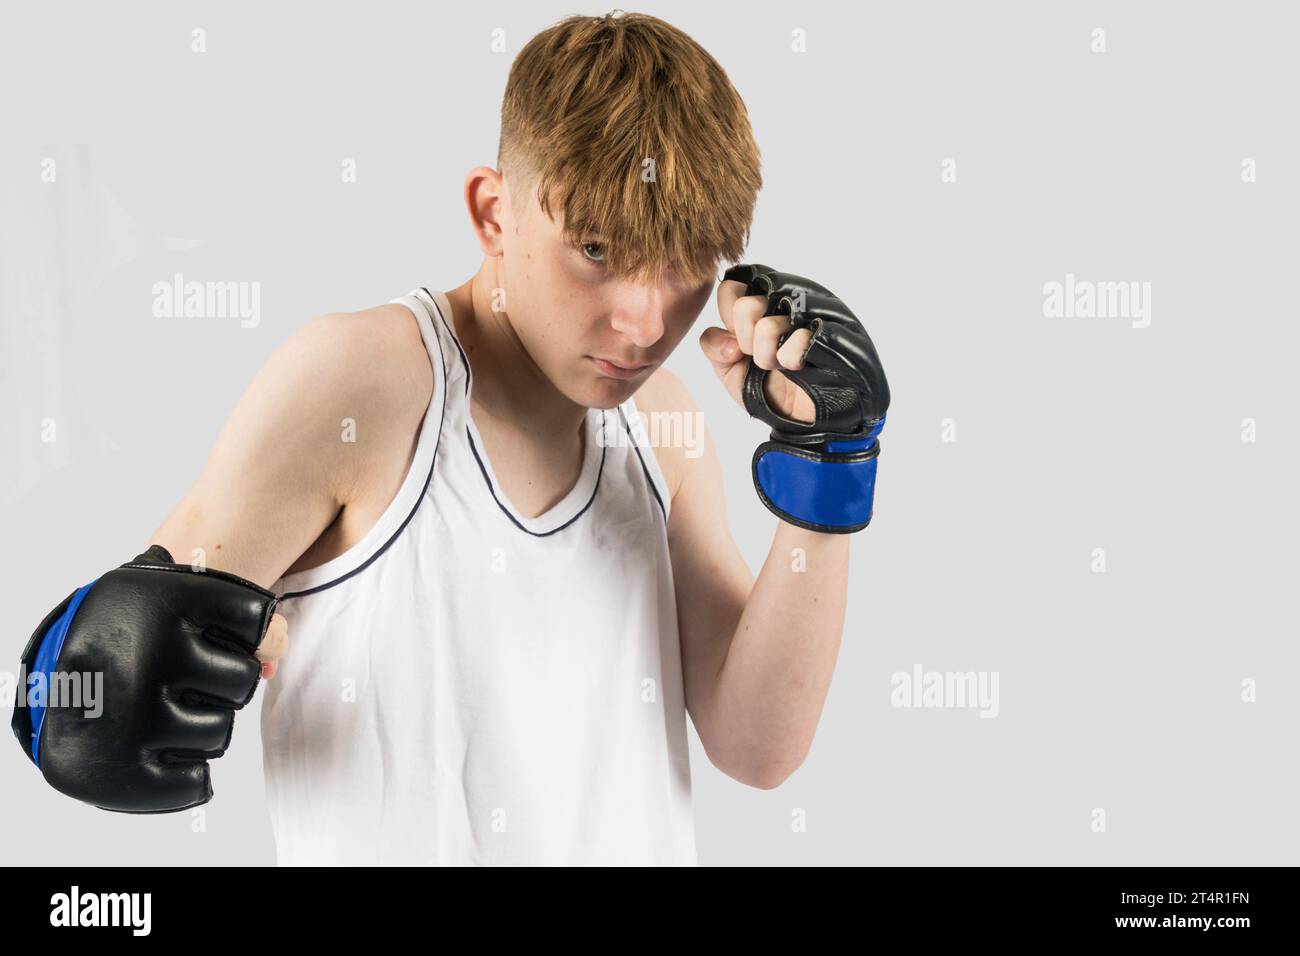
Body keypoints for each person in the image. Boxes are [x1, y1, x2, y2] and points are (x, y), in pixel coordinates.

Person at [13, 11, 887, 865]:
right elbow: (107, 653)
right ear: (494, 213)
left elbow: (757, 745)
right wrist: (85, 694)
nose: (644, 321)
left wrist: (827, 467)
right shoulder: (369, 380)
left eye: (684, 267)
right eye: (595, 248)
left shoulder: (664, 427)